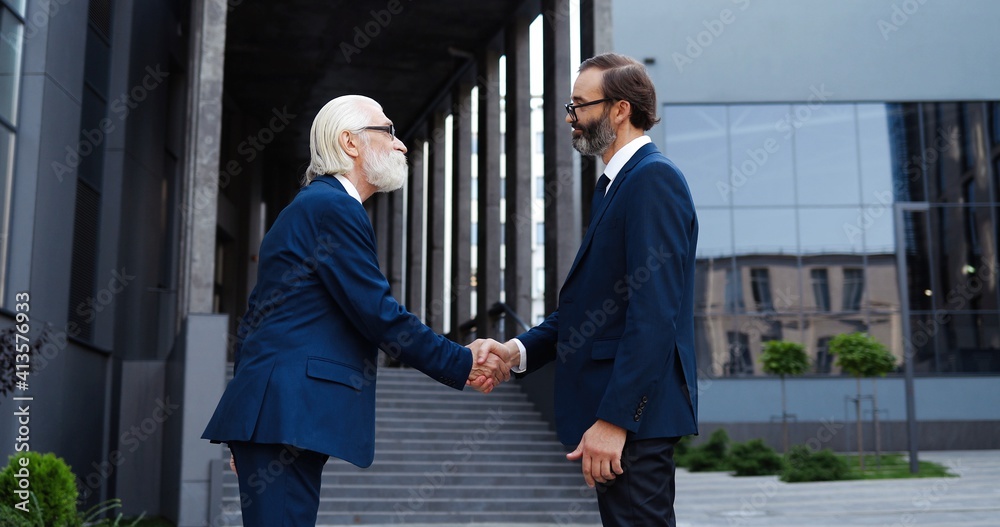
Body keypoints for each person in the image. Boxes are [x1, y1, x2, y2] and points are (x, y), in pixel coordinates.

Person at [202, 95, 510, 527]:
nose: (401, 144)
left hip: (279, 417)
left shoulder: (315, 204)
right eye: (388, 131)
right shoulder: (333, 207)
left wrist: (249, 422)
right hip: (286, 415)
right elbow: (378, 314)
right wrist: (460, 361)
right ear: (349, 142)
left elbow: (257, 318)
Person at [498, 53, 699, 526]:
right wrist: (516, 352)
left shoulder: (652, 179)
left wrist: (615, 420)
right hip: (620, 415)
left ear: (620, 109)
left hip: (633, 421)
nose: (571, 118)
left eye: (579, 105)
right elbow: (594, 308)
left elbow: (654, 313)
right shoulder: (615, 185)